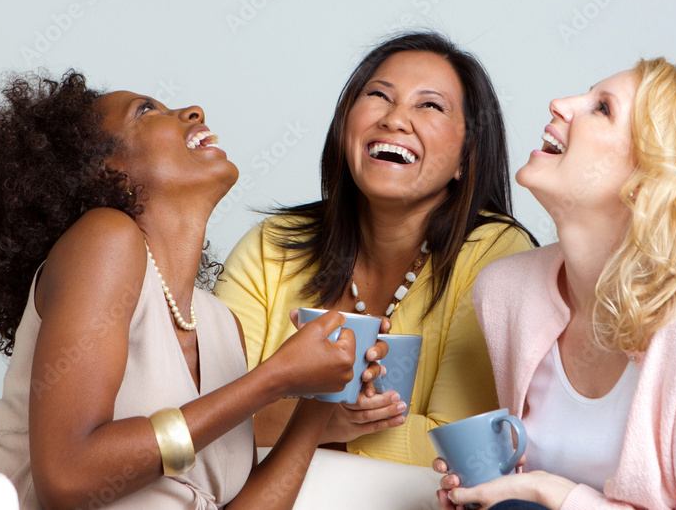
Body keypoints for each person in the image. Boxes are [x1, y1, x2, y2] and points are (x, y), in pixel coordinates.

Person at [0, 71, 383, 509]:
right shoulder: (104, 240)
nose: (193, 112)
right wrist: (273, 379)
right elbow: (67, 476)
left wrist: (319, 398)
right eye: (146, 110)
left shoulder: (220, 323)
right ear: (102, 170)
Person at [435, 58, 676, 509]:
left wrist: (554, 494)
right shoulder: (505, 290)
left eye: (602, 108)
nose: (560, 104)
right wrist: (490, 490)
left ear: (650, 180)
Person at [216, 32, 537, 466]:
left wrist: (290, 421)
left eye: (430, 105)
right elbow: (207, 417)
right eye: (379, 96)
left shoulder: (495, 252)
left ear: (466, 156)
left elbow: (465, 448)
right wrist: (326, 421)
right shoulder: (273, 244)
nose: (395, 119)